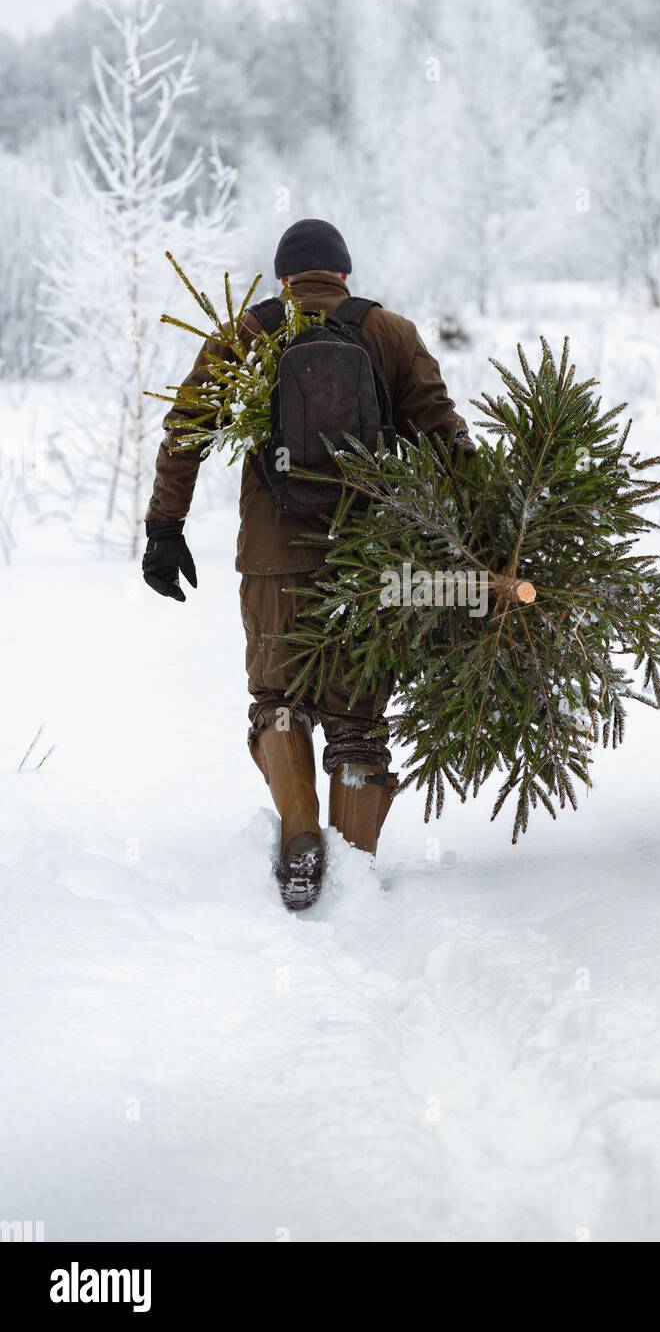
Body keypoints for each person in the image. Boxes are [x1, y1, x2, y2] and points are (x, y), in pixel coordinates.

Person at [142, 218, 474, 909]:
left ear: (284, 278)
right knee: (358, 721)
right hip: (369, 559)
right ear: (344, 275)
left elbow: (187, 430)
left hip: (272, 559)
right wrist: (483, 532)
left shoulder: (249, 332)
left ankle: (299, 832)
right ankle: (351, 863)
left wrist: (164, 528)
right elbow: (442, 435)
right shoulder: (389, 332)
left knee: (278, 701)